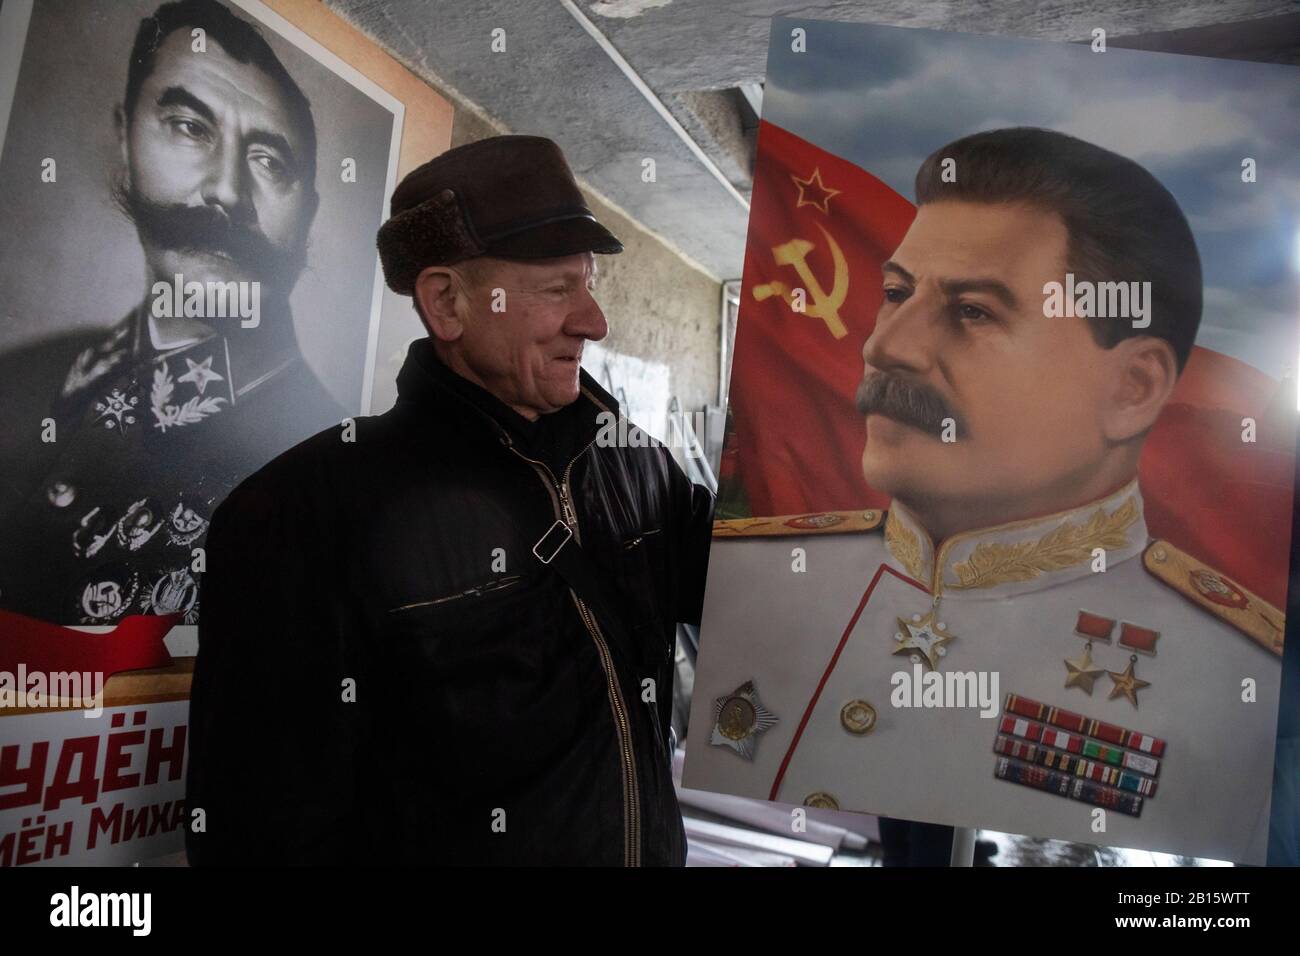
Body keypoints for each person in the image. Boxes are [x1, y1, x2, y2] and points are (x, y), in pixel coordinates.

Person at [684, 128, 1284, 865]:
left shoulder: (1236, 677)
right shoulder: (760, 575)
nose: (885, 346)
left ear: (1134, 388)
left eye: (973, 311)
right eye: (896, 293)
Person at [185, 134, 715, 865]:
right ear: (447, 302)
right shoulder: (300, 514)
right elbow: (260, 832)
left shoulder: (641, 469)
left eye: (589, 284)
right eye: (558, 289)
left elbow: (759, 601)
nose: (594, 321)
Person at [0, 0, 343, 626]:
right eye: (189, 126)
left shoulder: (334, 473)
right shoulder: (20, 378)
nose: (227, 193)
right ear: (124, 137)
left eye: (271, 162)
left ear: (309, 215)